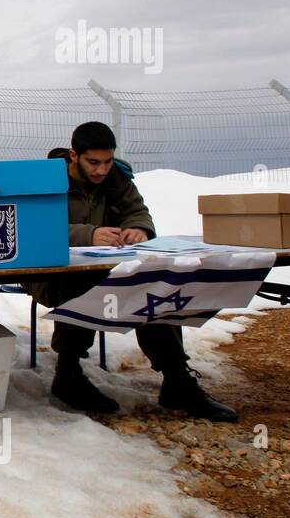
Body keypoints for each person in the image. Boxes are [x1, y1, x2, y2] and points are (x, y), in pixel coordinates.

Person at [30, 121, 237, 421]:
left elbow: (136, 210)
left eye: (107, 161)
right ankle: (67, 374)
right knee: (82, 285)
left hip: (108, 268)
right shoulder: (47, 179)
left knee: (152, 285)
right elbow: (34, 227)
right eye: (93, 162)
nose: (102, 170)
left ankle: (176, 378)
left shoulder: (117, 178)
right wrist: (87, 235)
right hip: (50, 274)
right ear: (74, 156)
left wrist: (139, 229)